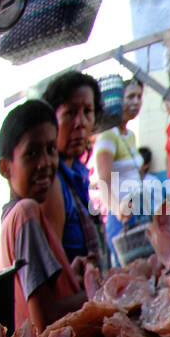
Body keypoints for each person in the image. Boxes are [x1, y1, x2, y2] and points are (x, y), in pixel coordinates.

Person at [0, 100, 86, 330]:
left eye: (50, 149)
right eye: (32, 153)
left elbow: (41, 294)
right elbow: (45, 320)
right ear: (5, 168)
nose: (45, 163)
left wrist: (72, 276)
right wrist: (100, 292)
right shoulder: (26, 213)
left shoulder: (16, 217)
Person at [41, 70, 106, 270]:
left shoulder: (78, 173)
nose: (80, 123)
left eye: (87, 111)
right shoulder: (52, 182)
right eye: (70, 113)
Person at [93, 77, 146, 260]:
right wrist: (118, 209)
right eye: (130, 97)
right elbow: (103, 182)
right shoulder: (108, 136)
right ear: (118, 101)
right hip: (122, 217)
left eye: (139, 97)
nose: (136, 102)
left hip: (139, 212)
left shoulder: (130, 135)